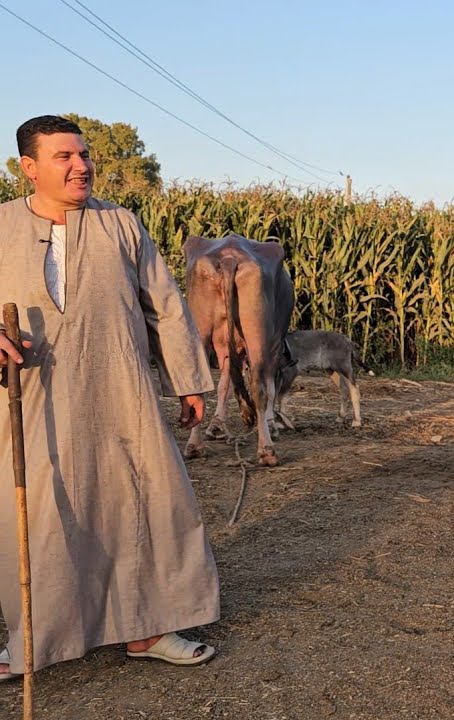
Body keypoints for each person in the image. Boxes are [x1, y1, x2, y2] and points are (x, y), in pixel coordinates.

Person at [0, 115, 219, 678]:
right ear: (29, 168)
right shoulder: (0, 227)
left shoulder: (120, 223)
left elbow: (166, 305)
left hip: (120, 388)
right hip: (33, 398)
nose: (81, 165)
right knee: (41, 514)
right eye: (64, 157)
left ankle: (147, 627)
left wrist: (190, 379)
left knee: (143, 501)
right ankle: (33, 640)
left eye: (84, 154)